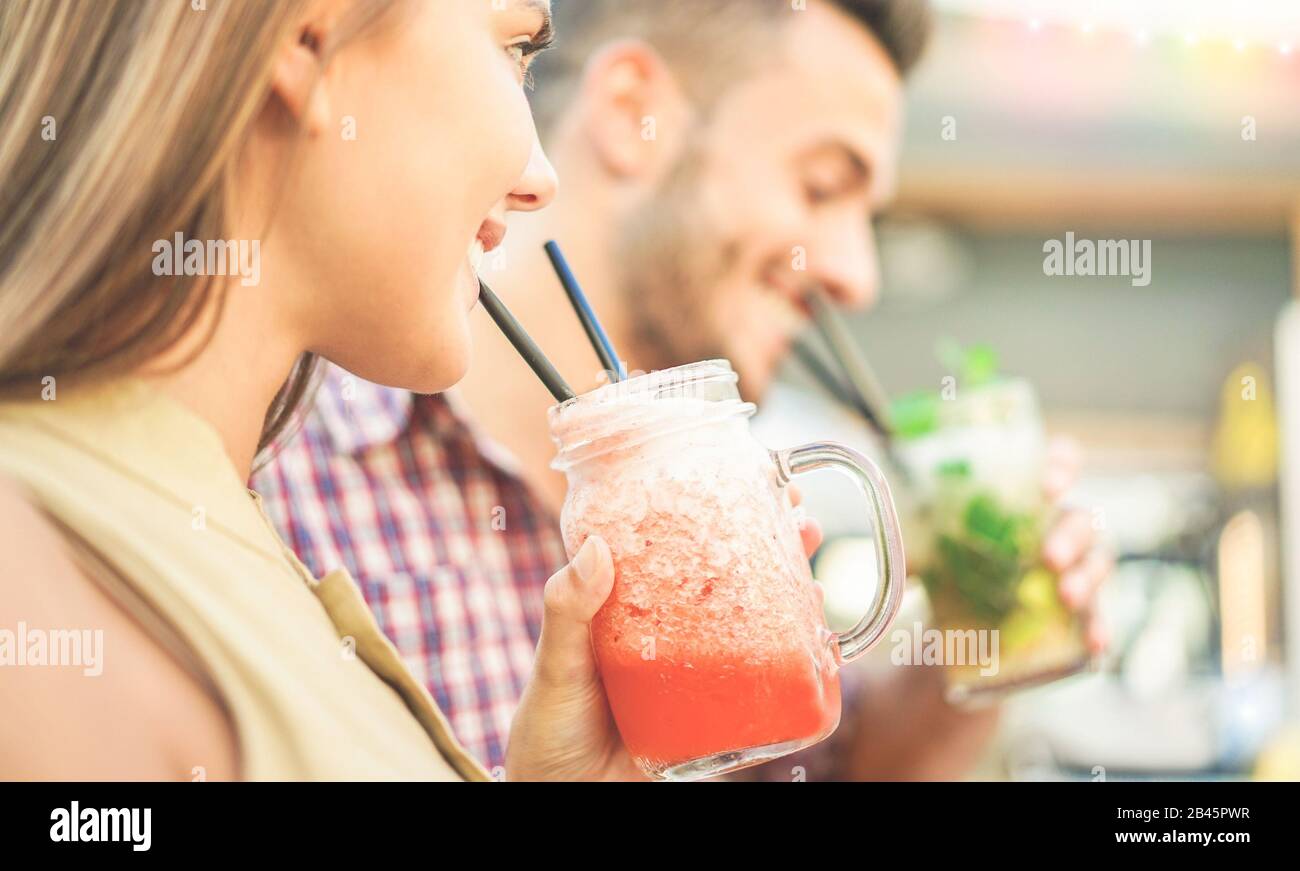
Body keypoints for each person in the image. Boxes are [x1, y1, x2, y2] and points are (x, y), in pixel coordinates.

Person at [254, 0, 1111, 779]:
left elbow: (829, 768)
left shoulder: (730, 490)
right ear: (635, 114)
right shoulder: (278, 478)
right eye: (821, 186)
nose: (854, 273)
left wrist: (962, 649)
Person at [0, 0, 729, 782]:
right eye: (516, 47)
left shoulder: (209, 534)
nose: (538, 180)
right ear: (310, 36)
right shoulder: (33, 568)